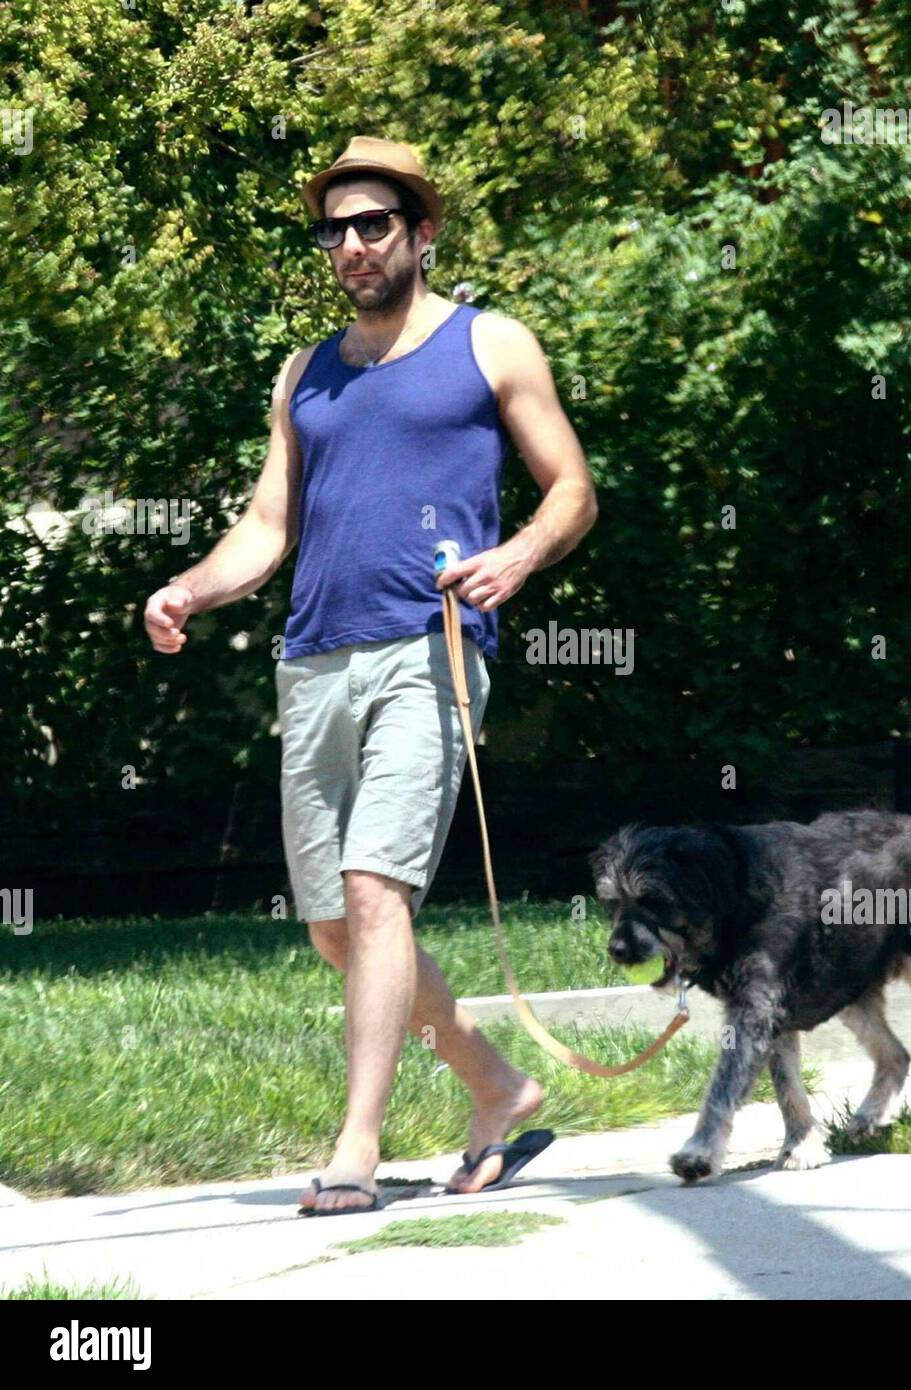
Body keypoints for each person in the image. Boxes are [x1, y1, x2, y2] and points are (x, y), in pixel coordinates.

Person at [144, 137, 597, 1211]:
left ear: (421, 233)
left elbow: (572, 488)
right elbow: (269, 525)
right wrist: (191, 590)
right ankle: (499, 1086)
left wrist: (519, 556)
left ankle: (356, 1148)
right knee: (334, 927)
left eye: (373, 224)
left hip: (427, 648)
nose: (352, 244)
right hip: (313, 659)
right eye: (334, 229)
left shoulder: (489, 343)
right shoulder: (306, 374)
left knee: (374, 887)